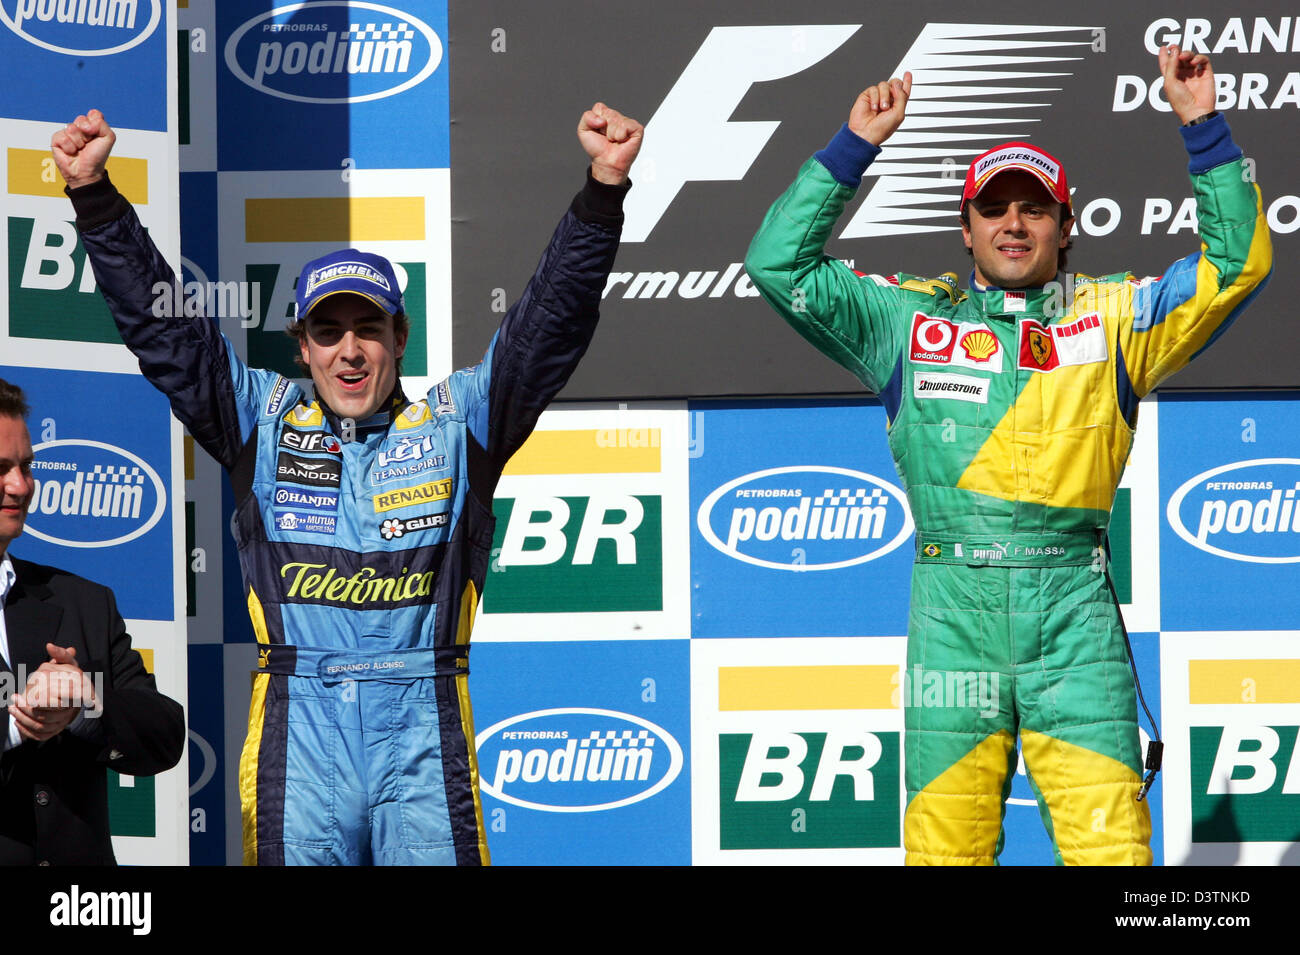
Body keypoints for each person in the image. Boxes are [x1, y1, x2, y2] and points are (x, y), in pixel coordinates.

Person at [52, 103, 643, 865]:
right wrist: (96, 197)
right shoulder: (261, 419)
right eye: (329, 332)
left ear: (402, 337)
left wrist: (602, 191)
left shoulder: (457, 422)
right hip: (302, 737)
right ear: (302, 346)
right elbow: (165, 334)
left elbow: (549, 326)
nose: (351, 351)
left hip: (424, 735)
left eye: (370, 328)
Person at [746, 46, 1271, 865]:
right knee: (944, 856)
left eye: (1035, 207)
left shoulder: (1117, 316)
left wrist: (1202, 125)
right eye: (995, 208)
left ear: (1069, 224)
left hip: (1075, 622)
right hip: (952, 621)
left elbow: (1238, 266)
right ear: (966, 229)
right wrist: (853, 148)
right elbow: (776, 265)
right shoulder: (910, 324)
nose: (1014, 224)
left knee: (1116, 859)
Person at [0, 377, 184, 865]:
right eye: (0, 469)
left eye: (26, 467)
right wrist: (21, 720)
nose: (19, 486)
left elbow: (165, 733)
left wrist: (88, 705)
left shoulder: (84, 602)